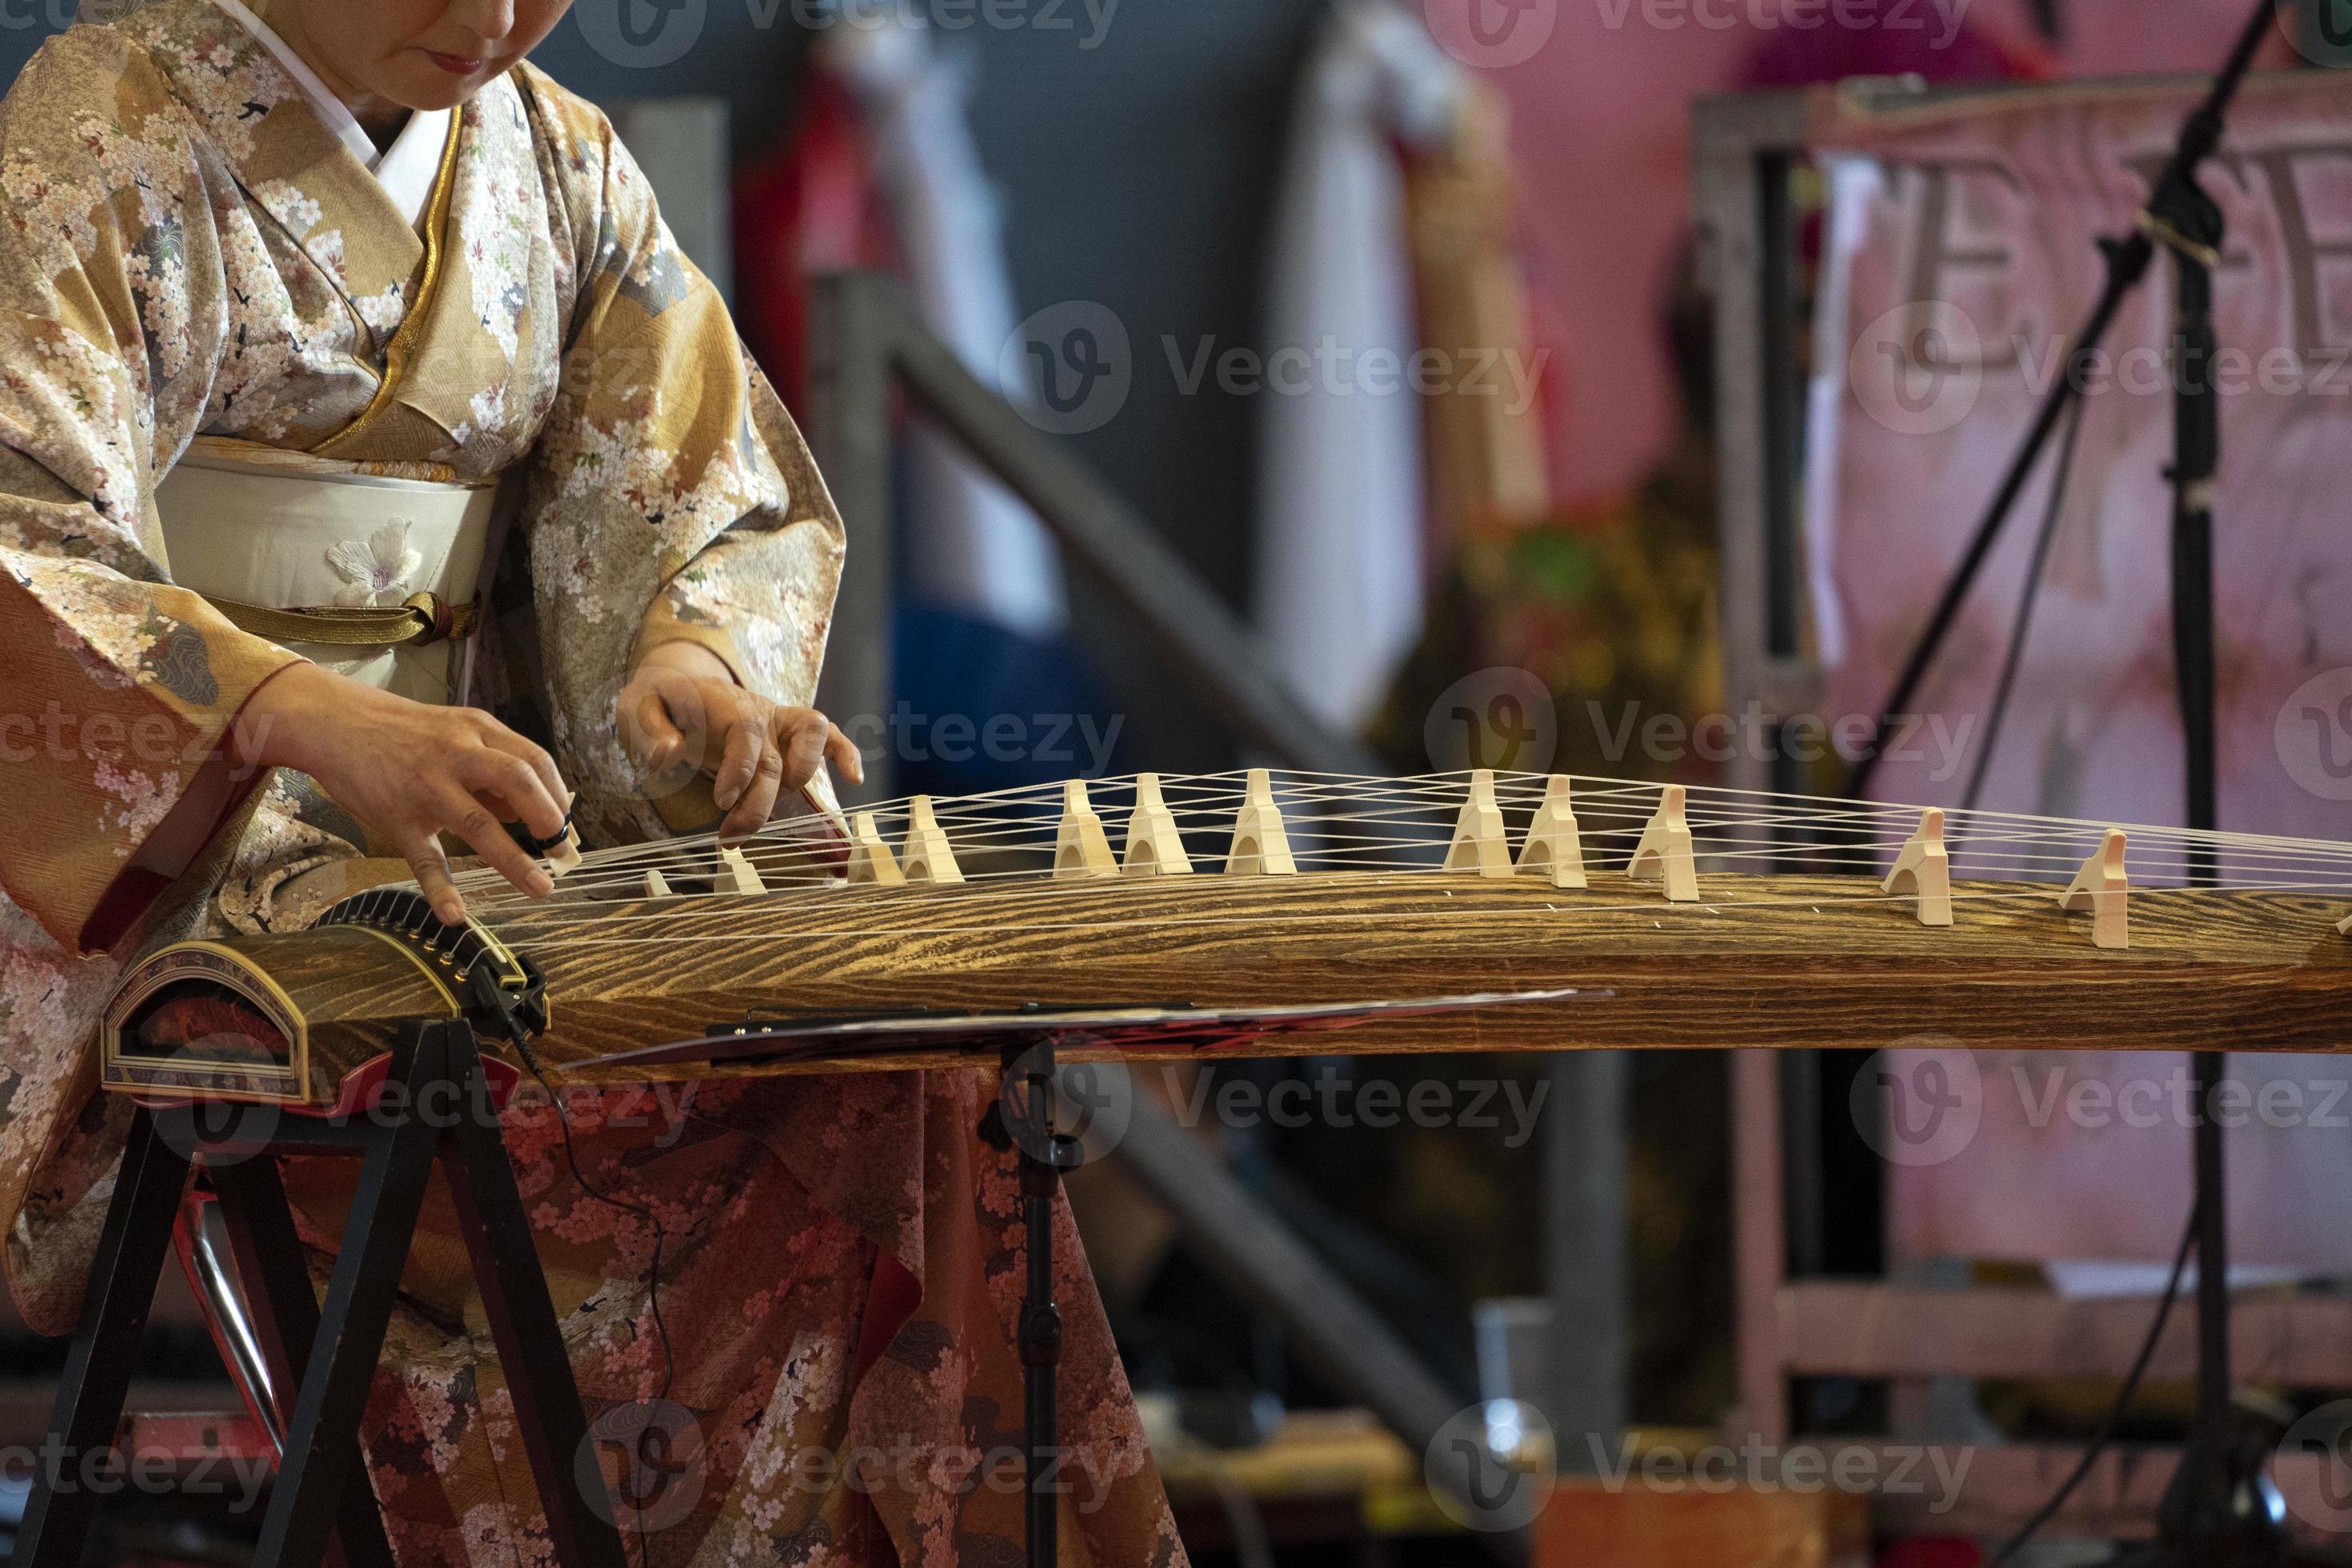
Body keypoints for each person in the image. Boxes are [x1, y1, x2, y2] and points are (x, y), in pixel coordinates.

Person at [0, 0, 1185, 1560]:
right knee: (512, 1101)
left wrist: (692, 683)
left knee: (901, 1081)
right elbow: (26, 534)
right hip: (178, 873)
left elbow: (696, 497)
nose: (492, 18)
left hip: (474, 852)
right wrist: (304, 715)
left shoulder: (557, 161)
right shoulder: (104, 116)